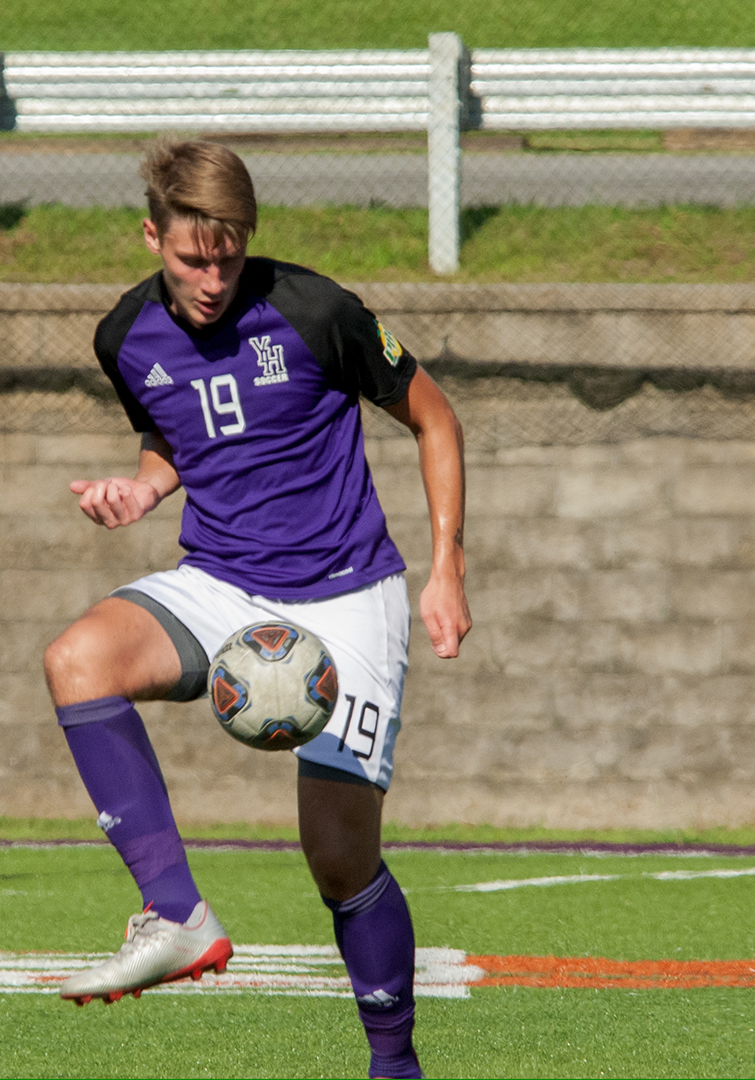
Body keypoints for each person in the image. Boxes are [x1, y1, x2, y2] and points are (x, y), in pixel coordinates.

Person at [42, 140, 471, 1080]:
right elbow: (177, 434)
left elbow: (435, 417)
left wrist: (446, 567)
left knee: (339, 860)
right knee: (76, 660)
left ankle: (394, 1067)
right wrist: (144, 488)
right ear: (151, 235)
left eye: (228, 259)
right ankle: (176, 916)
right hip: (222, 581)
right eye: (191, 259)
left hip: (347, 592)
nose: (211, 280)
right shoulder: (124, 337)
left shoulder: (316, 311)